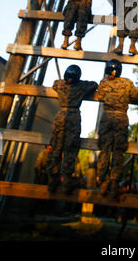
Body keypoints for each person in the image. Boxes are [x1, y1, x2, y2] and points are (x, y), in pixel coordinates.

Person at [46, 65, 98, 194]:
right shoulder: (81, 86)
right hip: (74, 117)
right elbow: (94, 84)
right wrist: (78, 83)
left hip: (61, 116)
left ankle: (52, 180)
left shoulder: (59, 84)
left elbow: (54, 83)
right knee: (71, 149)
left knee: (56, 147)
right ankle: (67, 182)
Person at [96, 59, 138, 198]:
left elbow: (100, 96)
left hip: (107, 118)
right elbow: (137, 96)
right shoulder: (127, 82)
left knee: (104, 150)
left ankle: (102, 182)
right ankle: (114, 183)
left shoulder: (104, 83)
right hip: (121, 118)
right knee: (118, 151)